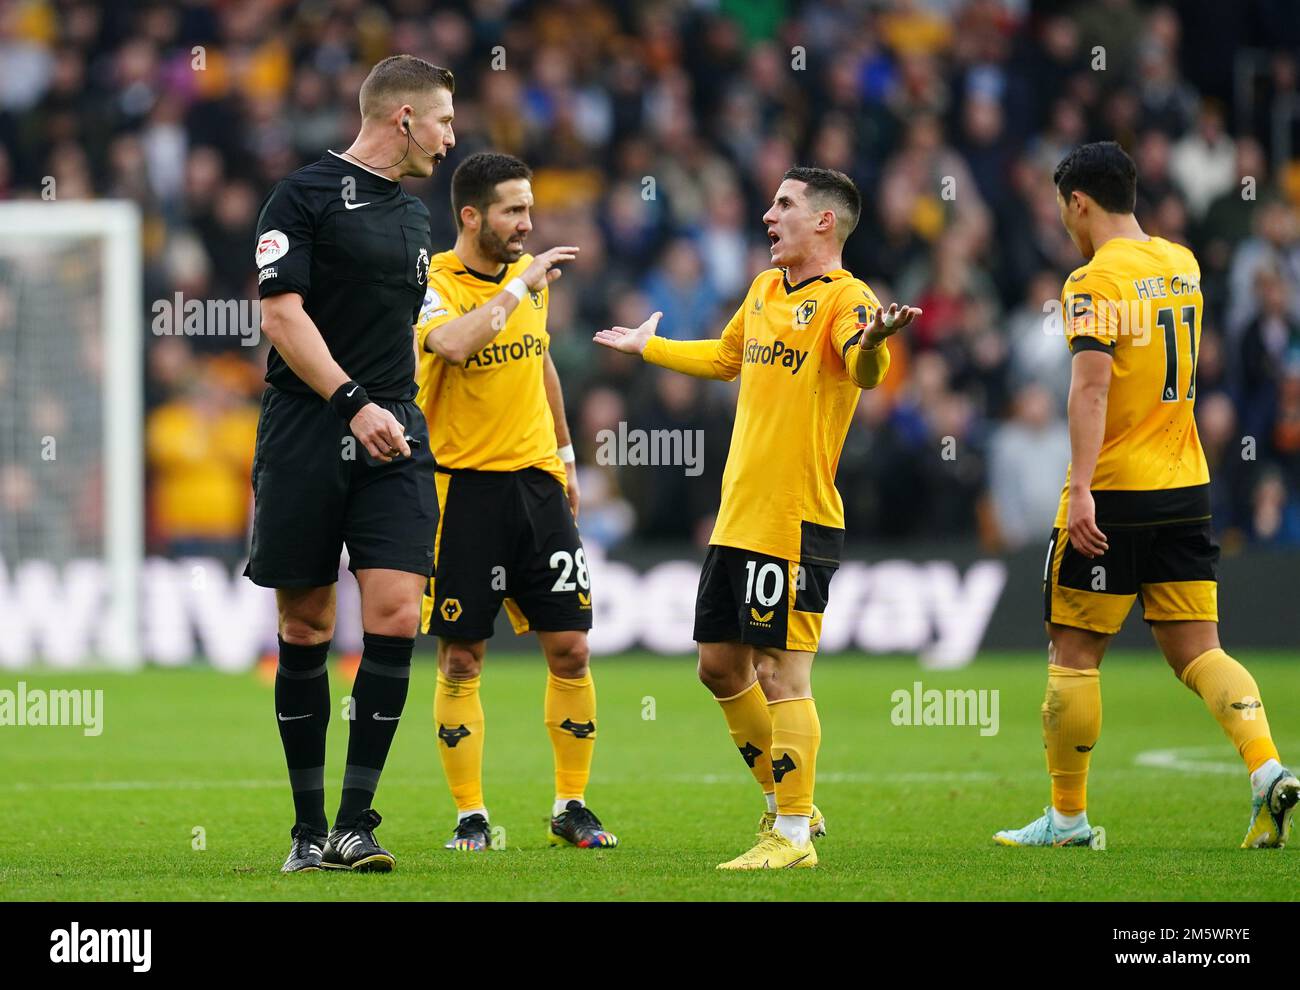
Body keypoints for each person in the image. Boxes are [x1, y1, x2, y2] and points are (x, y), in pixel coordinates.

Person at [594, 166, 920, 868]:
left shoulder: (848, 299)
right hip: (738, 517)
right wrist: (647, 346)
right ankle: (788, 793)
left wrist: (873, 345)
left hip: (796, 519)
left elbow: (863, 370)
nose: (769, 216)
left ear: (824, 222)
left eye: (785, 205)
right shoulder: (766, 289)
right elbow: (723, 358)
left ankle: (792, 832)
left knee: (782, 675)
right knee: (718, 668)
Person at [995, 141, 1298, 850]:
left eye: (1062, 208)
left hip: (1116, 490)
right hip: (1187, 485)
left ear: (1079, 202)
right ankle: (1266, 768)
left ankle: (1067, 820)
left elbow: (1093, 387)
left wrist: (1079, 492)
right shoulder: (1181, 264)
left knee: (1072, 654)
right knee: (1199, 650)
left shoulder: (1092, 281)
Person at [248, 55, 456, 873]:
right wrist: (350, 403)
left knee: (399, 614)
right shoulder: (300, 195)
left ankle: (353, 823)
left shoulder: (414, 220)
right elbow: (280, 315)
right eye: (442, 119)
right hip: (309, 427)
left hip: (396, 432)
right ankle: (305, 833)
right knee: (304, 626)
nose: (450, 137)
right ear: (402, 117)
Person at [414, 151, 617, 851]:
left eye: (530, 210)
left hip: (536, 485)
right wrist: (515, 290)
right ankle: (471, 814)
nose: (528, 225)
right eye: (513, 211)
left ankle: (572, 805)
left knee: (571, 648)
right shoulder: (434, 281)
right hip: (462, 488)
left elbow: (540, 360)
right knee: (463, 658)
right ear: (472, 216)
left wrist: (565, 456)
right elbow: (456, 346)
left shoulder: (530, 284)